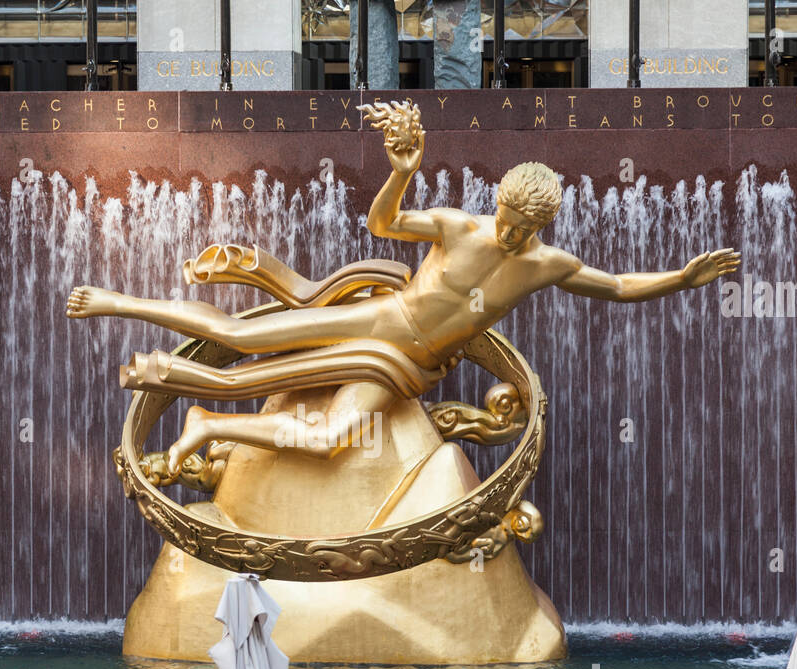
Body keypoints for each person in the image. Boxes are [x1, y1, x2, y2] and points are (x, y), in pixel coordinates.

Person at [67, 101, 740, 474]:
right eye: (504, 220)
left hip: (407, 369)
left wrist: (683, 277)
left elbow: (619, 286)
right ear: (497, 206)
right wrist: (401, 170)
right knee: (240, 334)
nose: (506, 235)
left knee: (330, 438)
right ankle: (118, 302)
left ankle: (210, 423)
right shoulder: (458, 226)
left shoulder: (547, 265)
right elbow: (383, 222)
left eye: (520, 228)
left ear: (542, 225)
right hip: (380, 321)